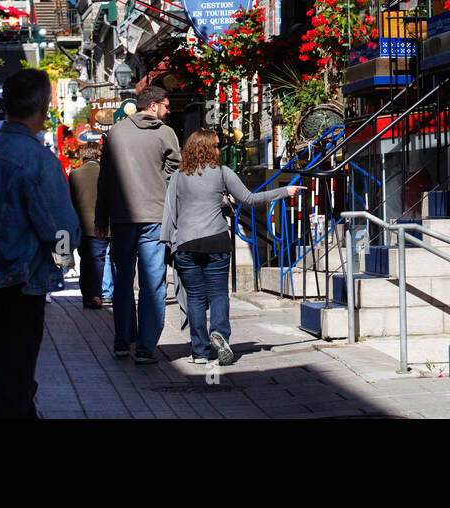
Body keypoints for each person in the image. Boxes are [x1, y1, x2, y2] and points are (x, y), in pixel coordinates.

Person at [0, 69, 81, 419]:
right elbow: (62, 230)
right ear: (43, 109)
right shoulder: (39, 161)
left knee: (6, 374)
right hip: (19, 282)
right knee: (14, 377)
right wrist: (62, 266)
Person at [163, 128, 298, 365]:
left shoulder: (178, 176)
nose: (219, 149)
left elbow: (169, 212)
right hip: (215, 241)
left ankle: (200, 352)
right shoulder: (222, 173)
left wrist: (169, 243)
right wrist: (284, 191)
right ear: (207, 148)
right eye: (216, 145)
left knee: (194, 298)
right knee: (217, 295)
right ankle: (220, 335)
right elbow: (250, 199)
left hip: (186, 243)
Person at [95, 83, 180, 364]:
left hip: (121, 218)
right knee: (152, 283)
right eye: (166, 106)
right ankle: (145, 347)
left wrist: (101, 219)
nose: (168, 112)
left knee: (122, 281)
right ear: (153, 105)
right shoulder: (166, 134)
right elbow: (175, 172)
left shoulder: (115, 133)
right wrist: (163, 188)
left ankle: (122, 342)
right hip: (154, 217)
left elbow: (104, 180)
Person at [68, 141, 107, 309]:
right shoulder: (106, 173)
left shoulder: (74, 174)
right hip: (102, 224)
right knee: (99, 260)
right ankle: (96, 294)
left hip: (81, 225)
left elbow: (71, 202)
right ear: (98, 154)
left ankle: (87, 295)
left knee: (86, 260)